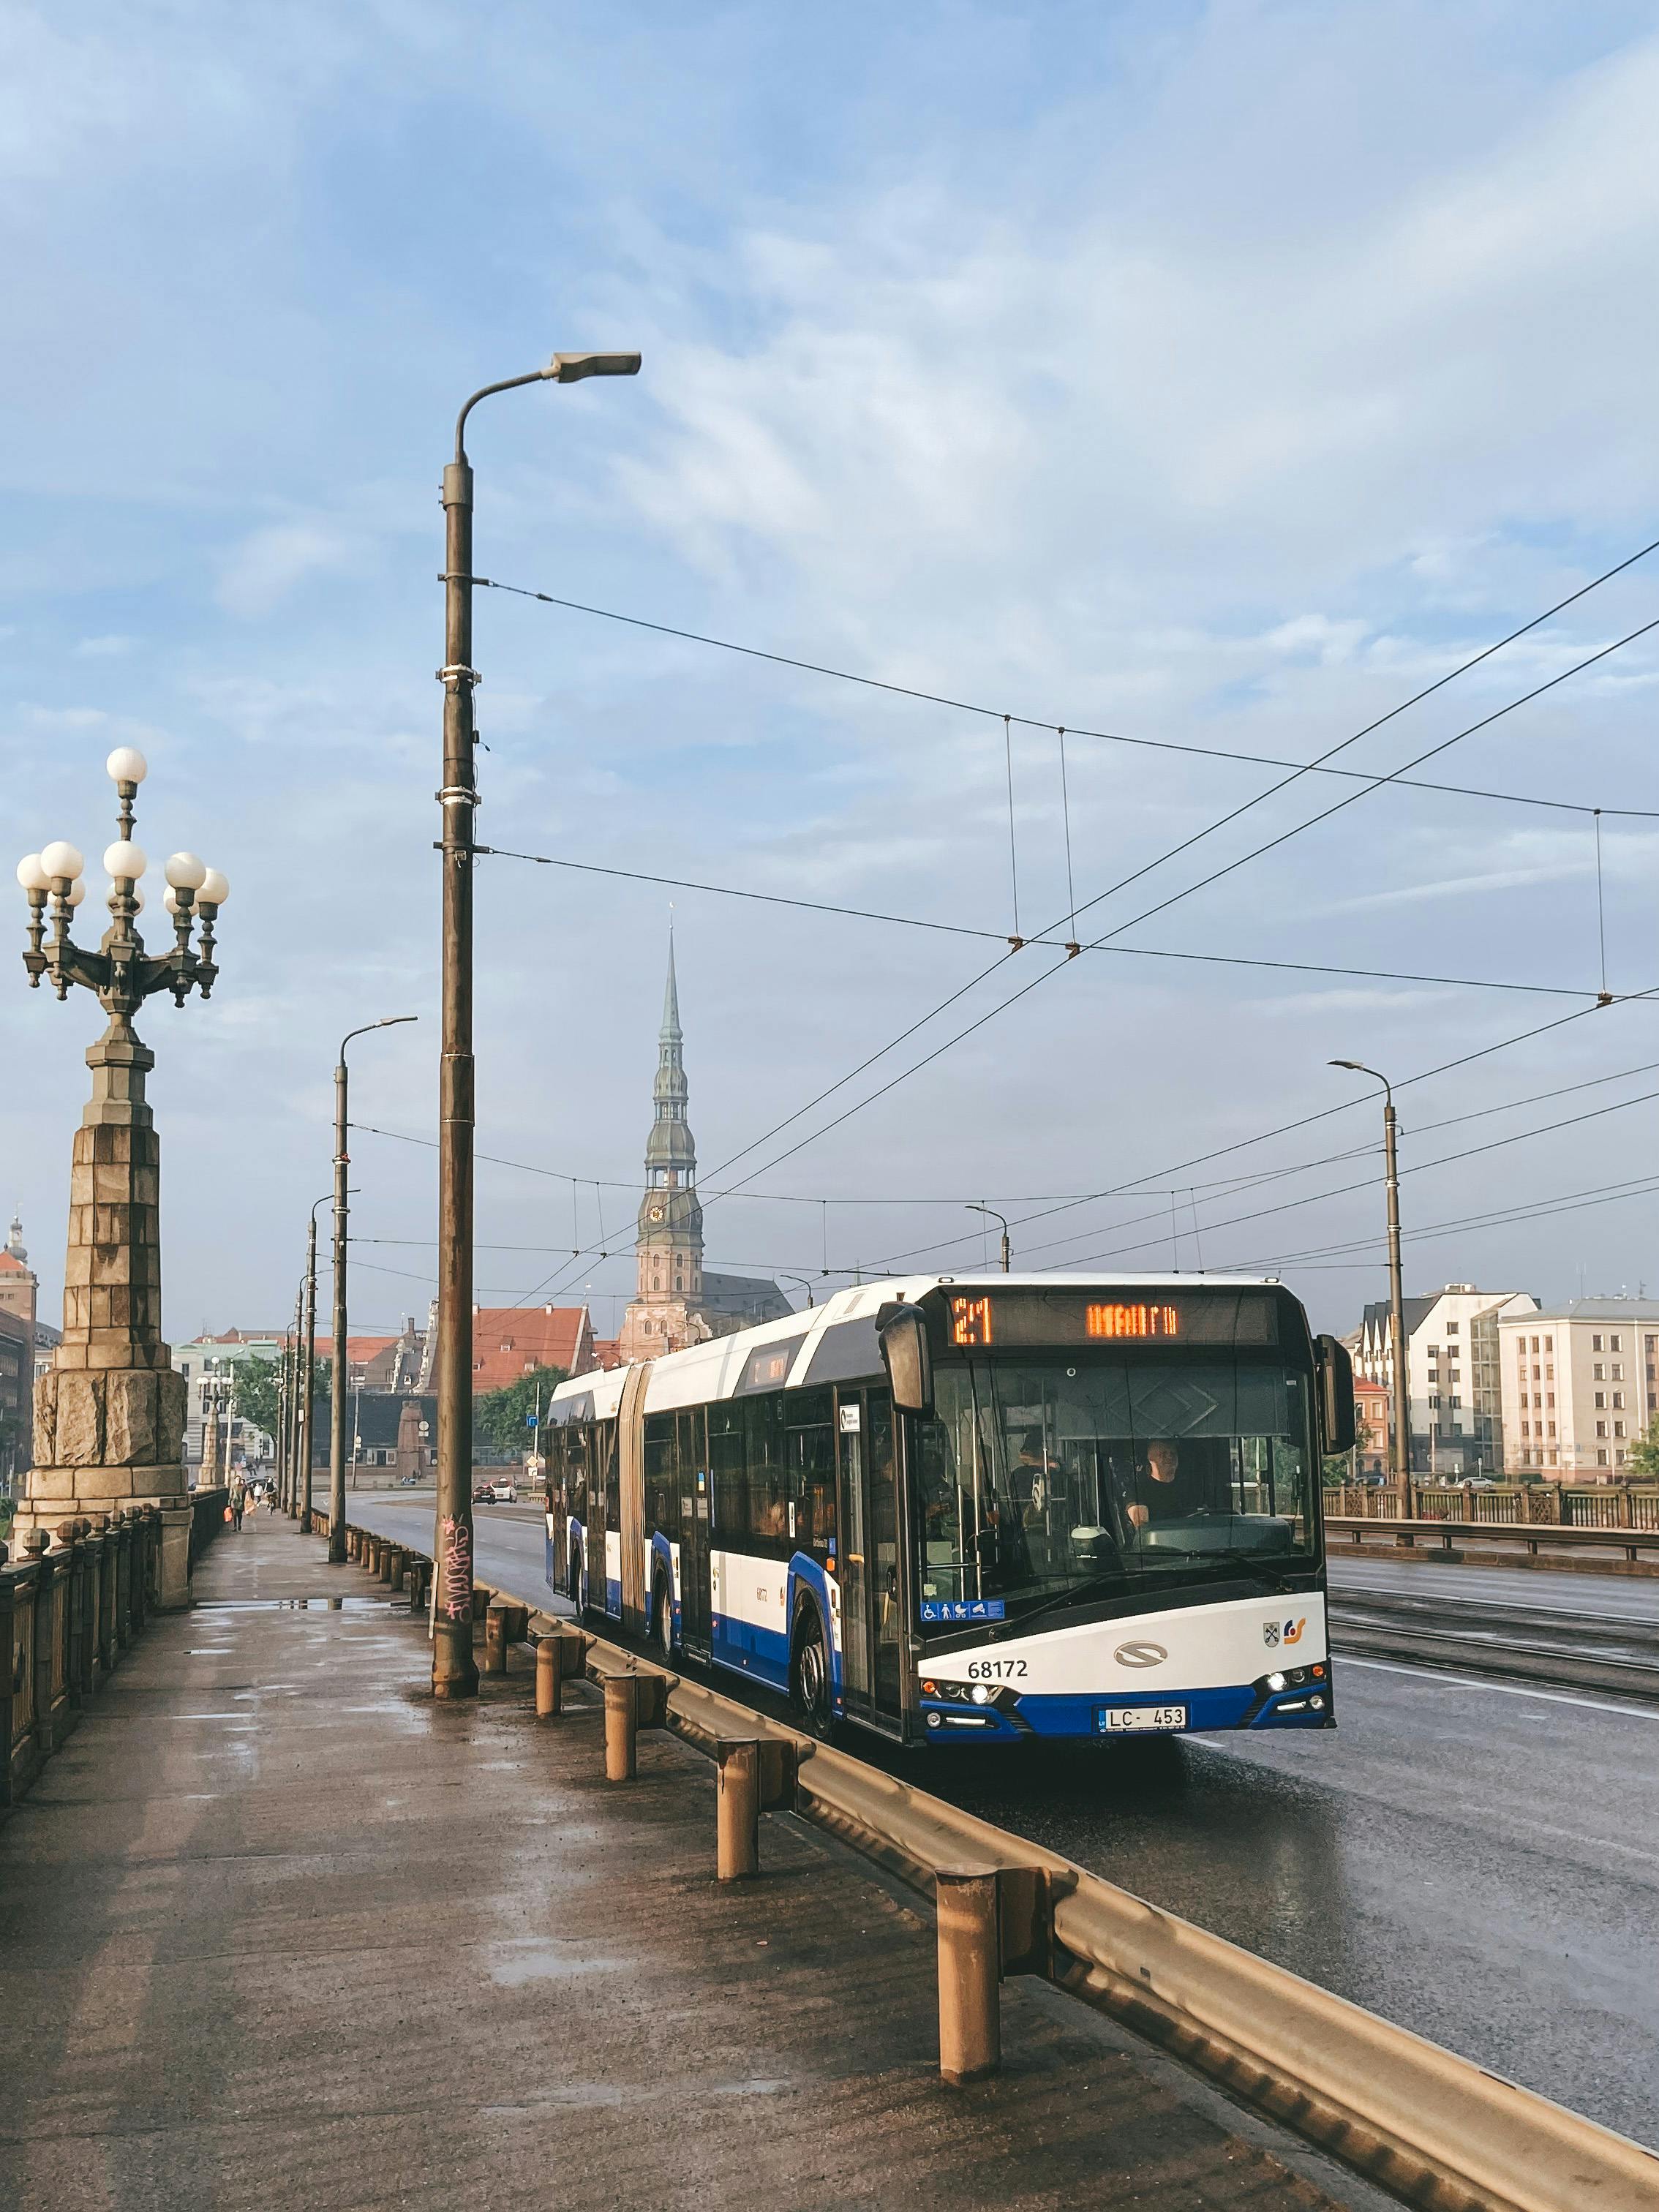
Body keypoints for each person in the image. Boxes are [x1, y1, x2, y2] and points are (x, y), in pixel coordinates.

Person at [1121, 1437, 1211, 1531]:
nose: (1169, 1457)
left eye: (1173, 1453)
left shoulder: (1190, 1490)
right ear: (1150, 1458)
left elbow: (1205, 1518)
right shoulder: (1137, 1491)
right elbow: (1143, 1528)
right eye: (1163, 1454)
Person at [227, 1467, 246, 1531]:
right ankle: (235, 1527)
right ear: (235, 1480)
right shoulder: (233, 1486)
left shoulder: (243, 1487)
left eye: (239, 1479)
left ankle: (240, 1524)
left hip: (241, 1502)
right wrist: (229, 1502)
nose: (238, 1480)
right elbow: (231, 1495)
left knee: (240, 1515)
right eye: (237, 1479)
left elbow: (245, 1495)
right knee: (234, 1515)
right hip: (234, 1502)